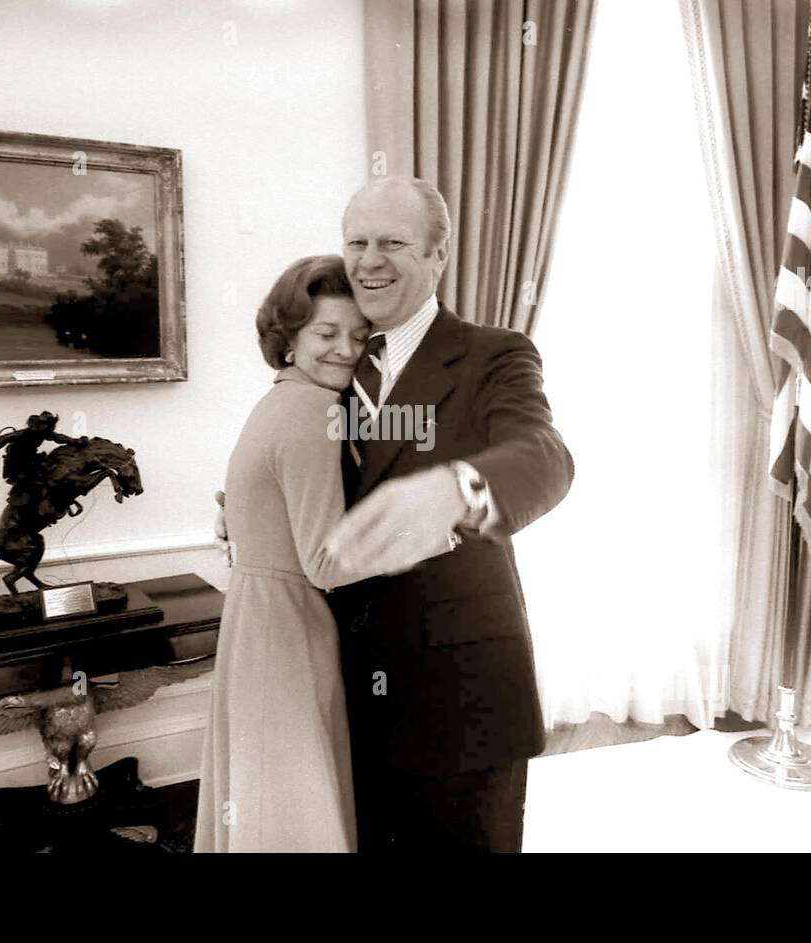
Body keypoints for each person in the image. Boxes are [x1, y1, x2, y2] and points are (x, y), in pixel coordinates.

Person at [215, 177, 573, 852]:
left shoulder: (494, 355)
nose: (369, 259)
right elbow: (306, 477)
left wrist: (458, 488)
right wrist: (247, 505)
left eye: (393, 242)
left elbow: (545, 456)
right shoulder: (333, 370)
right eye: (357, 241)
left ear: (438, 256)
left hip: (463, 704)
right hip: (346, 697)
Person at [193, 255, 455, 853]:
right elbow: (325, 562)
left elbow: (257, 504)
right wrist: (435, 531)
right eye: (325, 333)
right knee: (294, 804)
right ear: (287, 340)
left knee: (266, 800)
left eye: (359, 337)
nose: (344, 350)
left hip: (255, 617)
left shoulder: (277, 400)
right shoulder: (315, 410)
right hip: (288, 627)